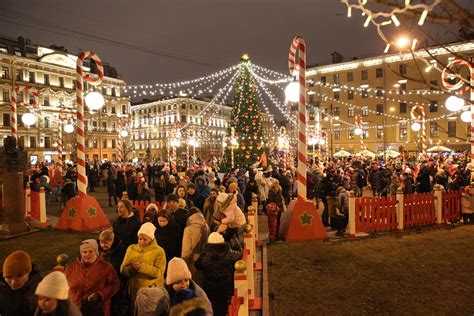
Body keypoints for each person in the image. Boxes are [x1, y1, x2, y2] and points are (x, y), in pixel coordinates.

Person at [65, 239, 120, 316]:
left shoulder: (106, 267)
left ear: (96, 252)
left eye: (90, 251)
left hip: (98, 309)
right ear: (80, 253)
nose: (87, 254)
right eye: (84, 252)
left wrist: (100, 295)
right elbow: (63, 286)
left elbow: (115, 284)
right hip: (75, 308)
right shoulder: (71, 267)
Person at [121, 222, 167, 310]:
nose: (141, 241)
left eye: (145, 239)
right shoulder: (131, 248)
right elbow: (123, 269)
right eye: (140, 238)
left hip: (151, 290)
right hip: (134, 290)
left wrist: (142, 267)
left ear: (151, 238)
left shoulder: (159, 251)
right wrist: (131, 269)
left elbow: (159, 273)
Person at [195, 232, 242, 315]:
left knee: (212, 305)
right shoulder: (229, 254)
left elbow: (197, 265)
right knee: (224, 306)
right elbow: (240, 253)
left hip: (209, 286)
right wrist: (233, 238)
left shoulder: (204, 256)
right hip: (225, 286)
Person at [0, 250, 43, 316]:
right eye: (8, 277)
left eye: (19, 276)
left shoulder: (41, 286)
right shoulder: (2, 288)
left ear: (28, 272)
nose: (13, 282)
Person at [112, 199, 142, 265]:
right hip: (118, 253)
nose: (119, 209)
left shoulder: (136, 223)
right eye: (118, 207)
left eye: (121, 207)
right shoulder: (116, 223)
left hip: (131, 254)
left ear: (128, 208)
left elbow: (137, 241)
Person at [181, 207, 209, 274]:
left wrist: (183, 263)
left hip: (192, 260)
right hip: (204, 258)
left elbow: (186, 250)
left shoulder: (188, 229)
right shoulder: (206, 226)